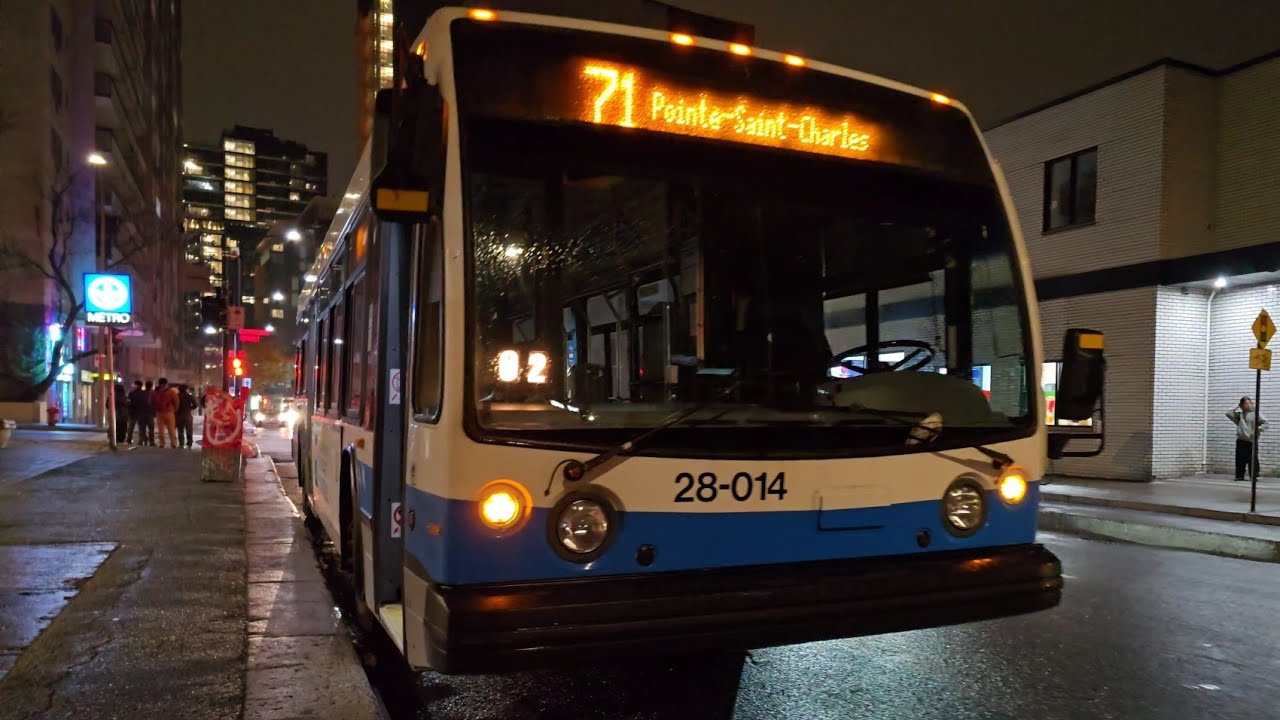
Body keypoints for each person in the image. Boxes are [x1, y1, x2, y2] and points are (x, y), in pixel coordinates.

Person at [1226, 396, 1270, 481]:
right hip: (1241, 440)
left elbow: (1266, 424)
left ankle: (1254, 476)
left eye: (1250, 403)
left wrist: (1257, 430)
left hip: (1251, 440)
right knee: (1240, 459)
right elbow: (1228, 413)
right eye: (1246, 403)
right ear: (1242, 405)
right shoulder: (1240, 415)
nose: (1248, 405)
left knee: (1253, 459)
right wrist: (1237, 405)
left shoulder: (1256, 413)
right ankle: (1239, 476)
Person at [152, 378, 179, 449]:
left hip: (159, 413)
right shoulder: (171, 392)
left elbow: (150, 402)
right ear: (166, 383)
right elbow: (176, 402)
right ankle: (173, 444)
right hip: (169, 412)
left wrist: (155, 408)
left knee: (161, 430)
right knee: (171, 429)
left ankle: (162, 443)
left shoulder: (154, 392)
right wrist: (174, 409)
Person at [126, 381, 149, 445]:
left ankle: (129, 439)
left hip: (133, 413)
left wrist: (129, 409)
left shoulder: (132, 393)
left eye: (134, 384)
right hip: (141, 412)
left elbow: (128, 403)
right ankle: (141, 441)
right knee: (141, 427)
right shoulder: (143, 393)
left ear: (136, 385)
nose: (133, 386)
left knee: (131, 427)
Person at [176, 384, 197, 448]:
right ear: (186, 389)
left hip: (179, 415)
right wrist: (190, 408)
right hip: (187, 415)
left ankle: (181, 443)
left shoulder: (177, 396)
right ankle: (189, 443)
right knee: (189, 430)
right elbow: (195, 405)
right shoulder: (189, 396)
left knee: (180, 430)